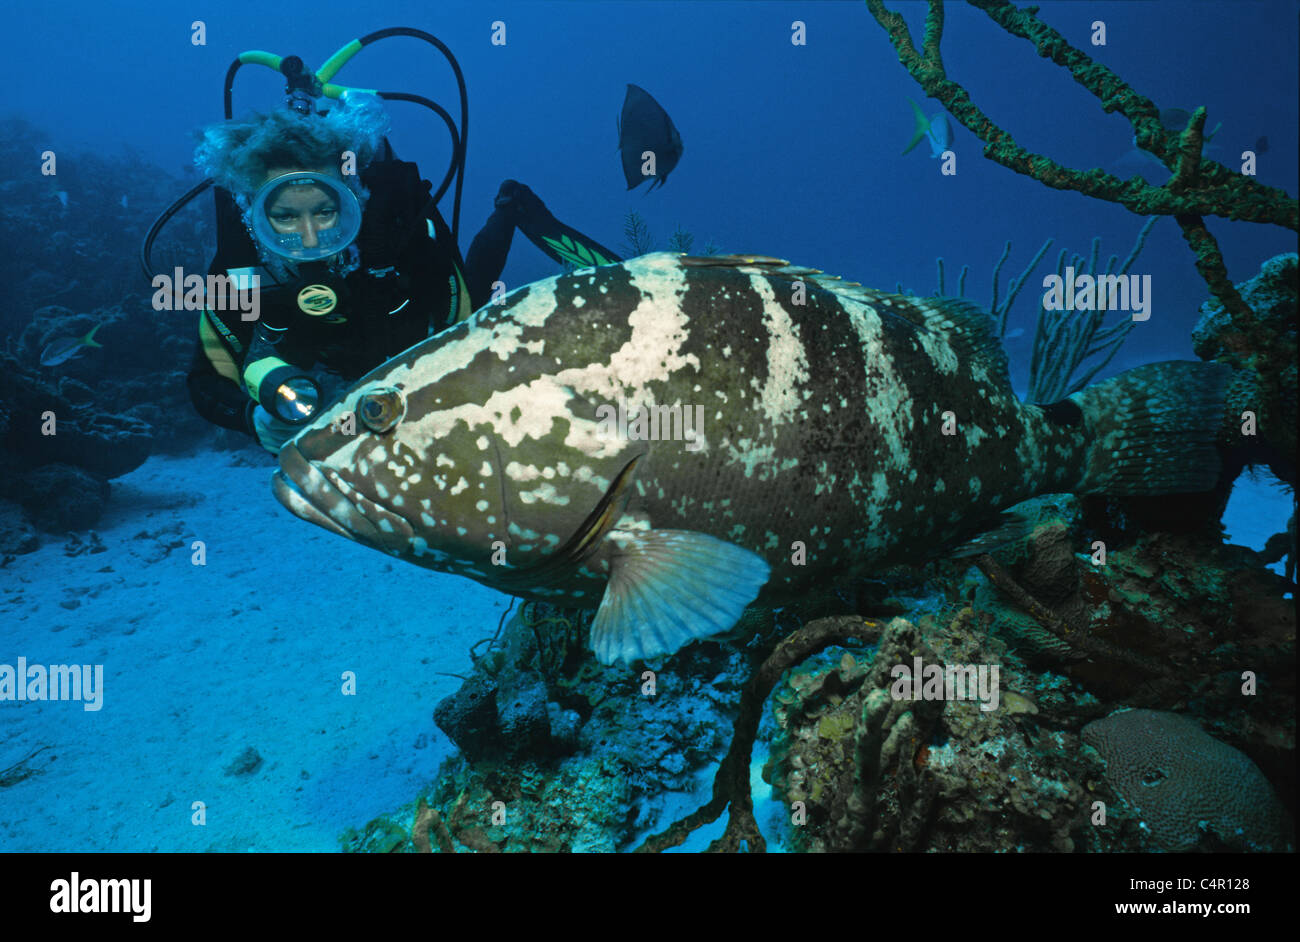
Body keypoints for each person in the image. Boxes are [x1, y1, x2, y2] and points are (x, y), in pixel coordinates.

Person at [186, 91, 618, 453]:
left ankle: (511, 208)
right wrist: (251, 417)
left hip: (412, 321)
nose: (311, 239)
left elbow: (461, 325)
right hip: (325, 351)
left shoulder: (397, 229)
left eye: (325, 211)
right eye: (284, 217)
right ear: (254, 216)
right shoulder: (240, 270)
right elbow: (206, 378)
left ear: (352, 198)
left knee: (477, 295)